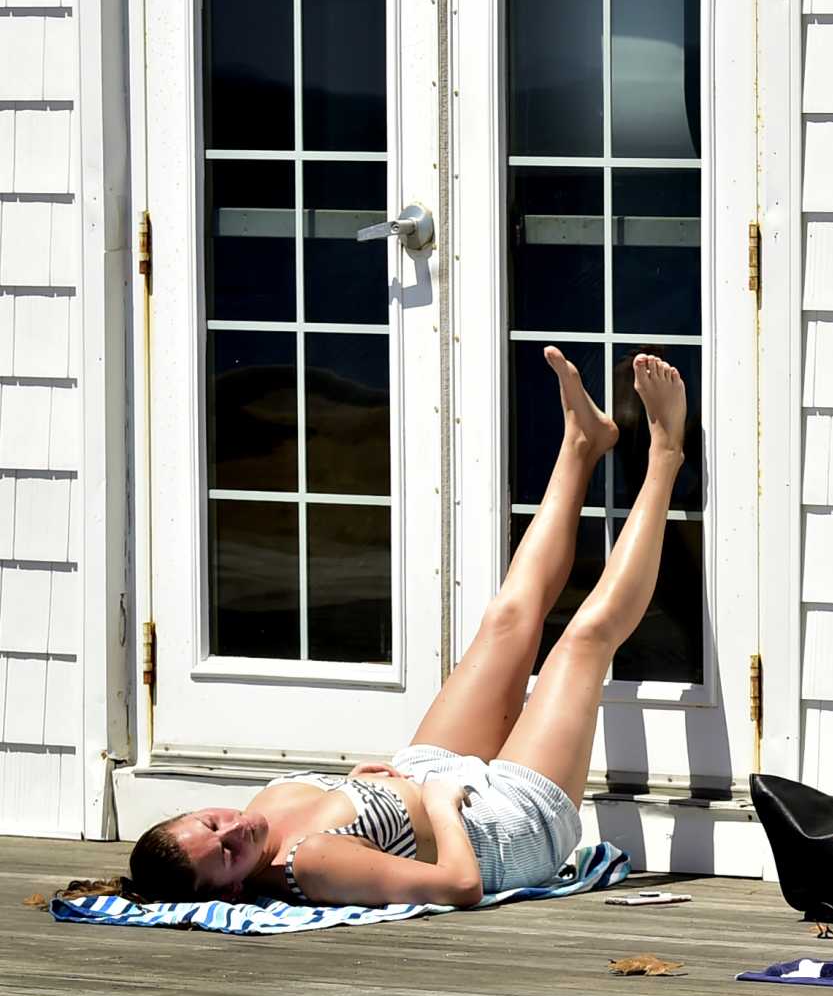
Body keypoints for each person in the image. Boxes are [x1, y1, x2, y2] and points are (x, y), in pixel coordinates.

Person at [118, 350, 689, 907]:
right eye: (225, 856)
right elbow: (459, 887)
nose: (234, 831)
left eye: (211, 822)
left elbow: (360, 816)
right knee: (582, 641)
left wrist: (363, 786)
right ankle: (664, 453)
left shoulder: (265, 806)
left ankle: (582, 444)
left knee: (506, 618)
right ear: (235, 890)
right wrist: (440, 805)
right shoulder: (308, 864)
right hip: (505, 828)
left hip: (427, 775)